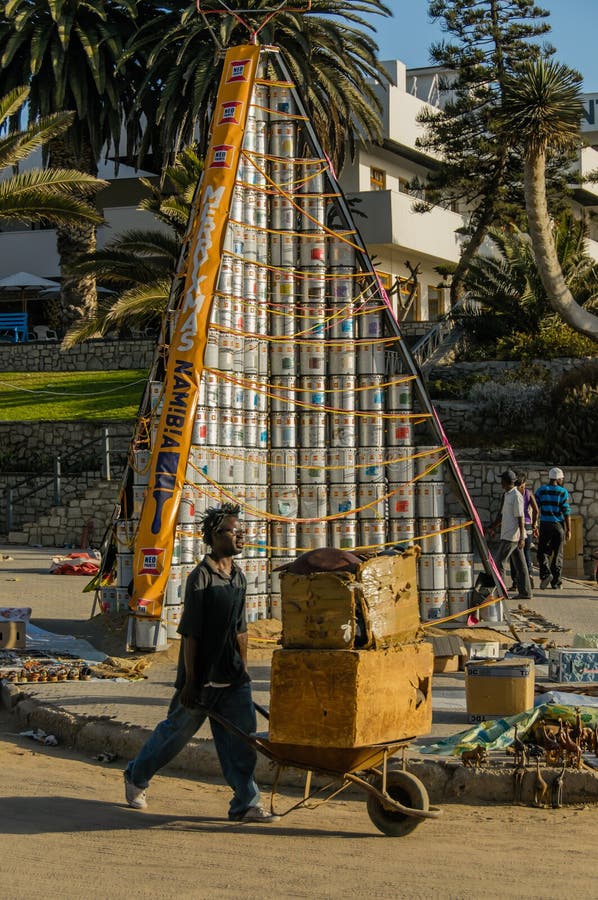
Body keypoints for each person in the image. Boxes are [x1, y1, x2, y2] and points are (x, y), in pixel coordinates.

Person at [124, 503, 277, 822]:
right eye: (235, 531)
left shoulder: (237, 577)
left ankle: (245, 803)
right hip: (202, 679)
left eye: (242, 531)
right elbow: (190, 635)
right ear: (213, 536)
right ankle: (136, 776)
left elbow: (241, 629)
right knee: (174, 735)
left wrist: (244, 671)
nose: (241, 536)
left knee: (241, 740)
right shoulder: (200, 579)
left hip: (233, 677)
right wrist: (191, 682)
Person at [488, 469, 532, 599]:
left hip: (512, 536)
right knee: (520, 565)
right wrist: (493, 528)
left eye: (502, 481)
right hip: (508, 534)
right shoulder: (507, 495)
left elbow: (520, 517)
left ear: (507, 482)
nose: (500, 483)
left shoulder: (516, 496)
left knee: (499, 562)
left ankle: (500, 592)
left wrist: (522, 537)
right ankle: (526, 592)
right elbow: (502, 516)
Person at [535, 467, 572, 590]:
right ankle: (556, 583)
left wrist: (534, 524)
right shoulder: (563, 492)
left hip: (545, 525)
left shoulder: (541, 491)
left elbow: (535, 509)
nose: (562, 480)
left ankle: (546, 574)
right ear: (559, 478)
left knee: (542, 552)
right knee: (558, 555)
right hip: (558, 526)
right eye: (562, 478)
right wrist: (569, 530)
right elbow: (566, 512)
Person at [509, 471, 539, 592]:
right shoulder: (528, 493)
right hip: (528, 525)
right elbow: (536, 510)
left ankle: (515, 582)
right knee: (526, 552)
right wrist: (534, 524)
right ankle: (530, 575)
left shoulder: (512, 494)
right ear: (524, 482)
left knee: (514, 555)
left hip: (516, 525)